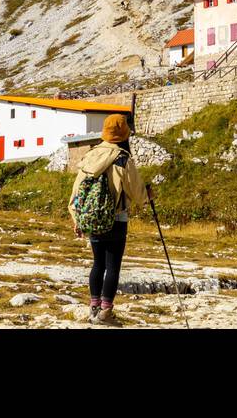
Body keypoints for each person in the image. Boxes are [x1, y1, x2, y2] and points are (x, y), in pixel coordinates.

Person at [68, 114, 145, 325]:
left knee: (98, 264)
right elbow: (136, 191)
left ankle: (93, 309)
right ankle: (105, 313)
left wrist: (77, 218)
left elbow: (77, 190)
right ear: (124, 134)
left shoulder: (90, 155)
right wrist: (147, 197)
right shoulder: (122, 158)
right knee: (113, 267)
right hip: (116, 218)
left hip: (92, 218)